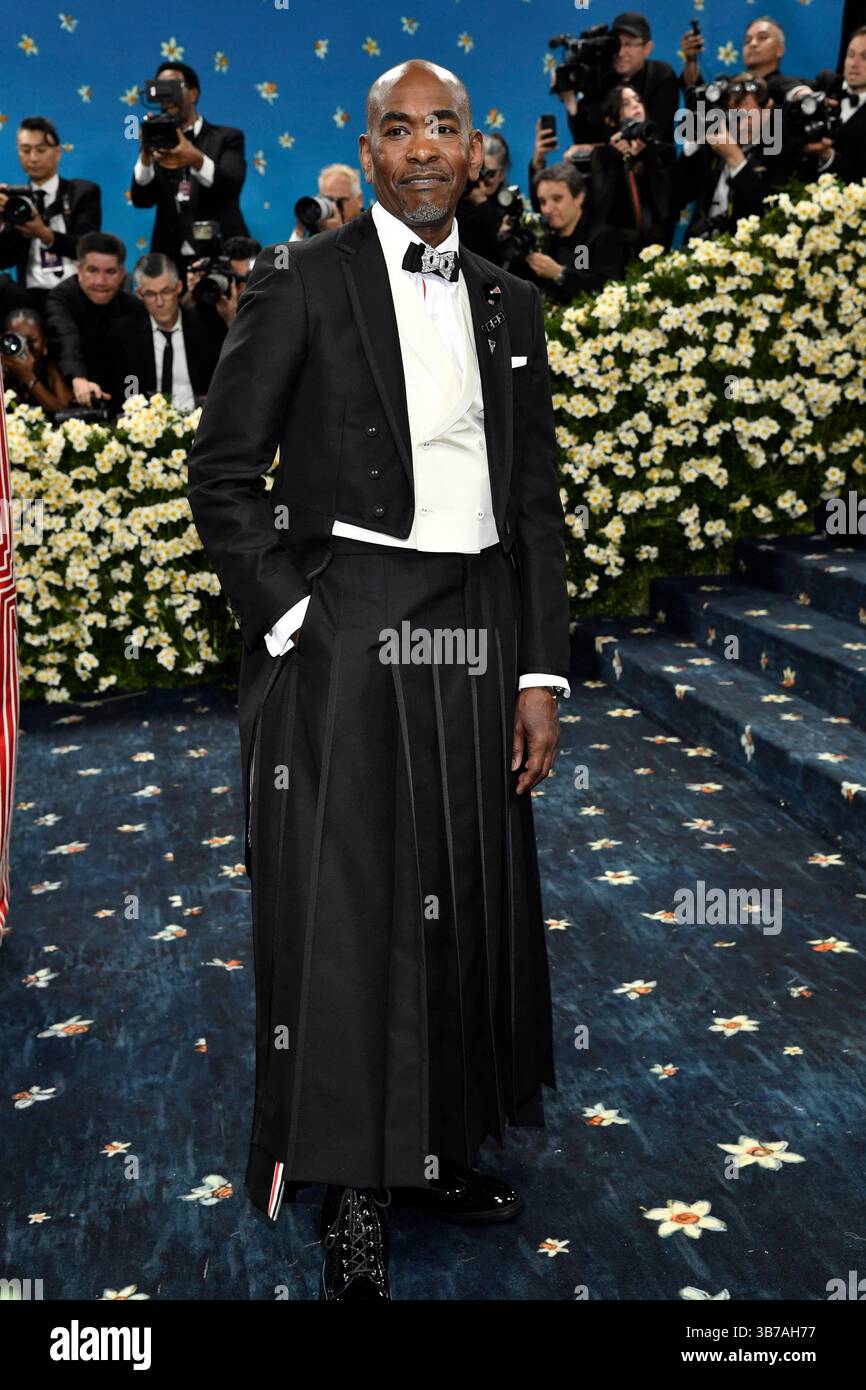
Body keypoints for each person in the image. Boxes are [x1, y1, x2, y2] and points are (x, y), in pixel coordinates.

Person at [185, 57, 571, 1301]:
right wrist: (293, 617)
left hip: (472, 628)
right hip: (347, 624)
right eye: (395, 129)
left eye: (441, 128)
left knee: (464, 891)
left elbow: (532, 507)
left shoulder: (513, 302)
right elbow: (223, 470)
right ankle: (349, 1188)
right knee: (348, 916)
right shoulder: (297, 278)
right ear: (365, 144)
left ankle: (439, 1146)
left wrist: (538, 672)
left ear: (474, 150)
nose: (418, 149)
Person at [130, 61, 249, 276]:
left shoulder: (227, 137)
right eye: (161, 89)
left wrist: (195, 159)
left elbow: (231, 187)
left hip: (220, 252)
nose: (167, 96)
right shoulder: (156, 138)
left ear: (193, 93)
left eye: (174, 87)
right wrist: (145, 156)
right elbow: (142, 199)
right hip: (170, 260)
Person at [0, 116, 101, 309]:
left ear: (57, 153)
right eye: (25, 150)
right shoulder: (15, 202)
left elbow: (88, 249)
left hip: (75, 294)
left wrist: (43, 234)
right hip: (30, 296)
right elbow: (5, 260)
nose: (33, 158)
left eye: (41, 150)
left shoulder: (82, 192)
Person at [107, 252, 226, 415]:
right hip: (148, 430)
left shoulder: (207, 328)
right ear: (140, 294)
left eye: (166, 291)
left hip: (202, 426)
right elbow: (129, 391)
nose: (160, 302)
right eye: (150, 294)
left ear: (178, 287)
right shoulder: (126, 335)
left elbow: (222, 386)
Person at [675, 74, 783, 242]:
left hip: (748, 253)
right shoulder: (713, 146)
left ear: (766, 110)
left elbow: (767, 212)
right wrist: (694, 141)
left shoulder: (776, 151)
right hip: (701, 248)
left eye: (745, 111)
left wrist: (735, 159)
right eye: (732, 110)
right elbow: (678, 195)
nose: (737, 118)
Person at [44, 231, 144, 407]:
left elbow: (134, 370)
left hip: (125, 406)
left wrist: (133, 401)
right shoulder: (61, 299)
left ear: (122, 274)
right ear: (79, 270)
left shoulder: (133, 306)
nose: (101, 281)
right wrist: (78, 377)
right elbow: (65, 336)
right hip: (74, 402)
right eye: (93, 270)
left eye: (110, 272)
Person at [563, 11, 680, 152]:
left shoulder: (661, 74)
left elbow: (653, 136)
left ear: (647, 49)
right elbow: (584, 141)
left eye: (629, 44)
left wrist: (595, 149)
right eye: (617, 44)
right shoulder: (603, 80)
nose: (620, 53)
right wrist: (570, 101)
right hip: (610, 170)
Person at [517, 162, 626, 303]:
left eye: (557, 199)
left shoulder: (602, 236)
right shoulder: (545, 236)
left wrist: (559, 274)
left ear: (579, 197)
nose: (547, 210)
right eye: (543, 202)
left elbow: (608, 288)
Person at [589, 84, 676, 255]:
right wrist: (617, 158)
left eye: (638, 100)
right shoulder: (603, 155)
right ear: (611, 120)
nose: (635, 105)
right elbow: (602, 208)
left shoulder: (663, 152)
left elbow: (666, 208)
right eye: (625, 104)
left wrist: (647, 155)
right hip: (615, 252)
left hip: (656, 248)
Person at [681, 14, 805, 105]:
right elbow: (694, 93)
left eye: (762, 37)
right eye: (747, 40)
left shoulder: (793, 89)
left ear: (780, 49)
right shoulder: (726, 87)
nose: (753, 44)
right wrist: (691, 60)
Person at [797, 26, 866, 185]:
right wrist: (800, 94)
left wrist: (828, 154)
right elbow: (779, 83)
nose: (853, 63)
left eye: (864, 57)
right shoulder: (827, 84)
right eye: (850, 55)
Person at [181, 233, 262, 329]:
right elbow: (184, 311)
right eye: (233, 278)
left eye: (246, 278)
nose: (238, 287)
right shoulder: (213, 296)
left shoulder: (267, 305)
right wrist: (194, 291)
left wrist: (231, 320)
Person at [0, 306, 72, 412]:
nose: (24, 347)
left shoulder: (51, 367)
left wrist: (28, 377)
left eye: (31, 340)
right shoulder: (3, 364)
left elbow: (64, 412)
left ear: (44, 340)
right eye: (17, 340)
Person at [456, 132, 512, 263]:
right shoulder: (458, 197)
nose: (483, 180)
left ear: (502, 174)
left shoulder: (507, 205)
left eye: (490, 174)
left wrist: (482, 204)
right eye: (481, 171)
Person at [289, 163, 366, 240]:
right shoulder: (318, 229)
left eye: (340, 201)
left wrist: (339, 234)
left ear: (359, 200)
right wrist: (299, 233)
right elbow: (288, 252)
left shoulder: (372, 227)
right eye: (328, 200)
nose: (334, 207)